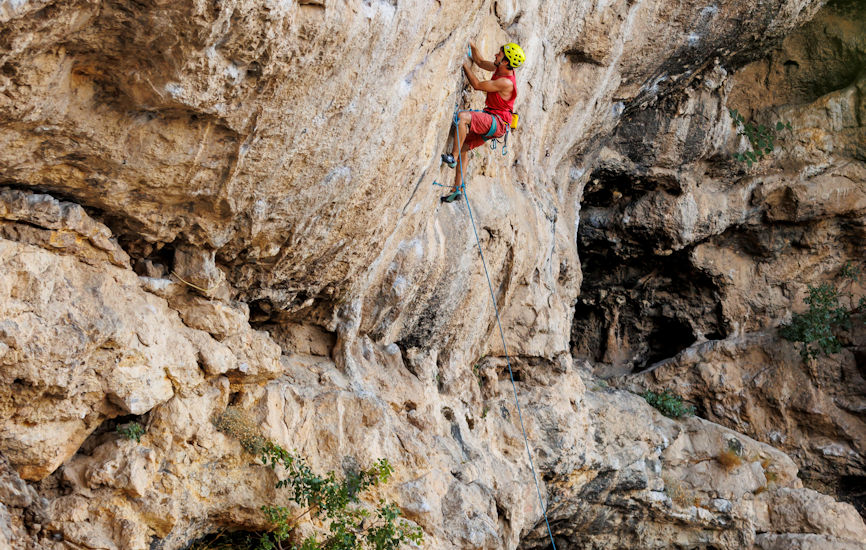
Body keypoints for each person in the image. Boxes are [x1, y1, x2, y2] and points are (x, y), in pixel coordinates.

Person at [441, 41, 525, 202]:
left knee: (463, 117)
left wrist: (462, 64)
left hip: (497, 121)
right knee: (464, 147)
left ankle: (452, 157)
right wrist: (471, 44)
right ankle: (457, 189)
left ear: (506, 61)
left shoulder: (505, 82)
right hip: (497, 122)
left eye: (499, 54)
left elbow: (477, 85)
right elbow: (479, 61)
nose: (495, 55)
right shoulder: (500, 68)